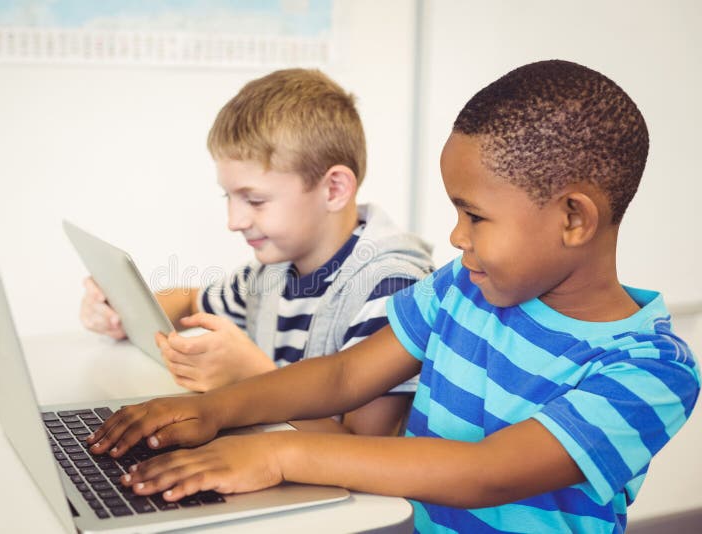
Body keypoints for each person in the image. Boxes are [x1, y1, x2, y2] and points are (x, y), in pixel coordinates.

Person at [85, 60, 700, 532]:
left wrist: (275, 454)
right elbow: (346, 374)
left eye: (475, 216)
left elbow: (482, 473)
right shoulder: (462, 290)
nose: (456, 236)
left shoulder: (649, 371)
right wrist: (216, 411)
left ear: (573, 218)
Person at [80, 68, 434, 436]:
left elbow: (364, 449)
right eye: (228, 197)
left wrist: (252, 378)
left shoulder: (390, 290)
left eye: (254, 199)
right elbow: (188, 301)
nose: (234, 221)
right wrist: (123, 313)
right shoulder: (271, 273)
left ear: (333, 190)